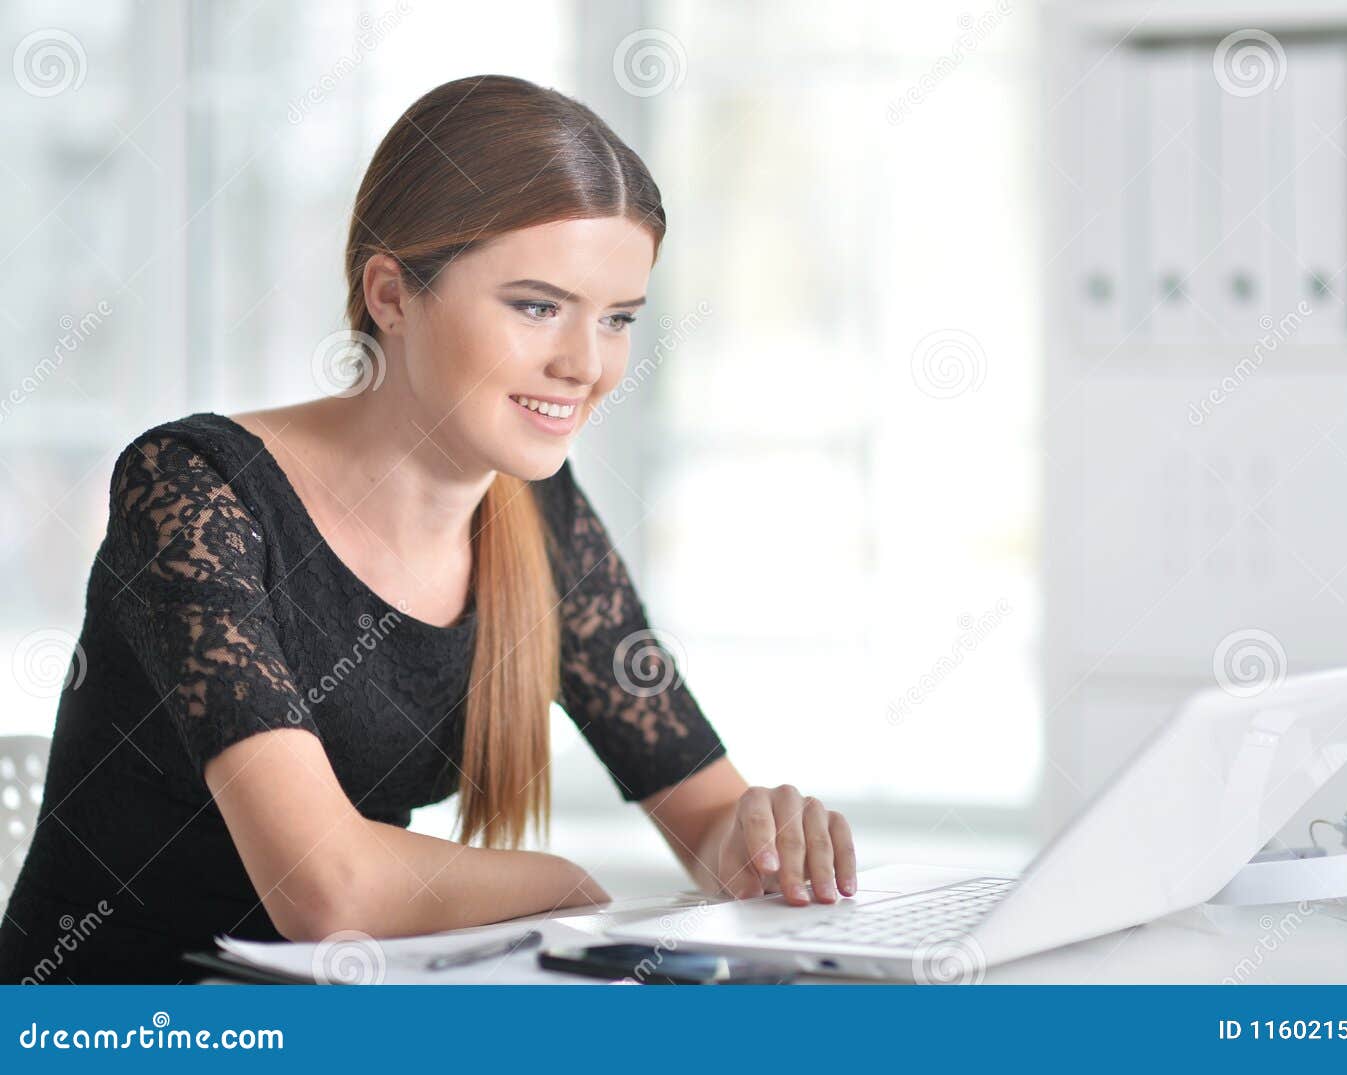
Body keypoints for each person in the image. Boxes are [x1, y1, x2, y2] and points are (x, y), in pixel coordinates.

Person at [0, 74, 855, 984]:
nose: (585, 364)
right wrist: (564, 886)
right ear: (392, 295)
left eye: (616, 319)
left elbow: (708, 820)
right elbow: (327, 887)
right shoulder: (193, 491)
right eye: (537, 306)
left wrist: (764, 839)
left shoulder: (540, 518)